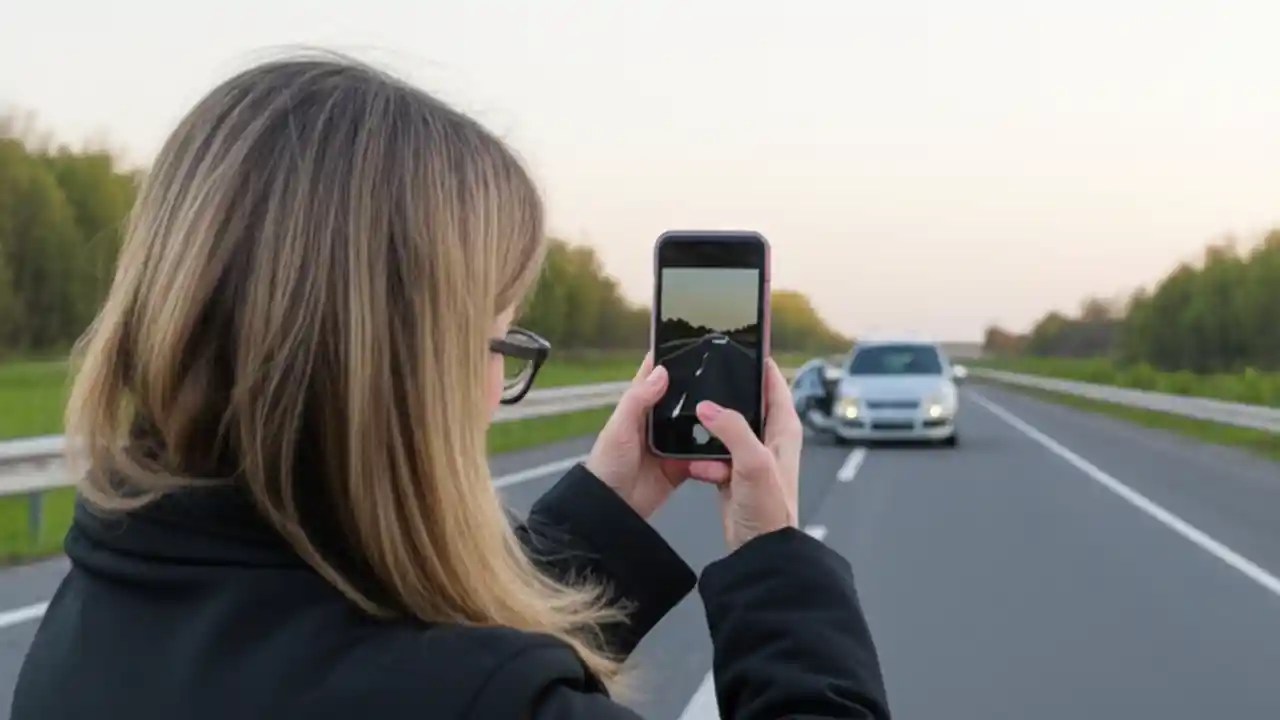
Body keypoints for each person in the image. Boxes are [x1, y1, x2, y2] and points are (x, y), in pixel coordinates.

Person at [11, 55, 890, 720]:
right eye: (500, 336)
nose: (495, 381)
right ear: (412, 369)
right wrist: (774, 560)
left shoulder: (95, 604)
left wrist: (607, 509)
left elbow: (375, 641)